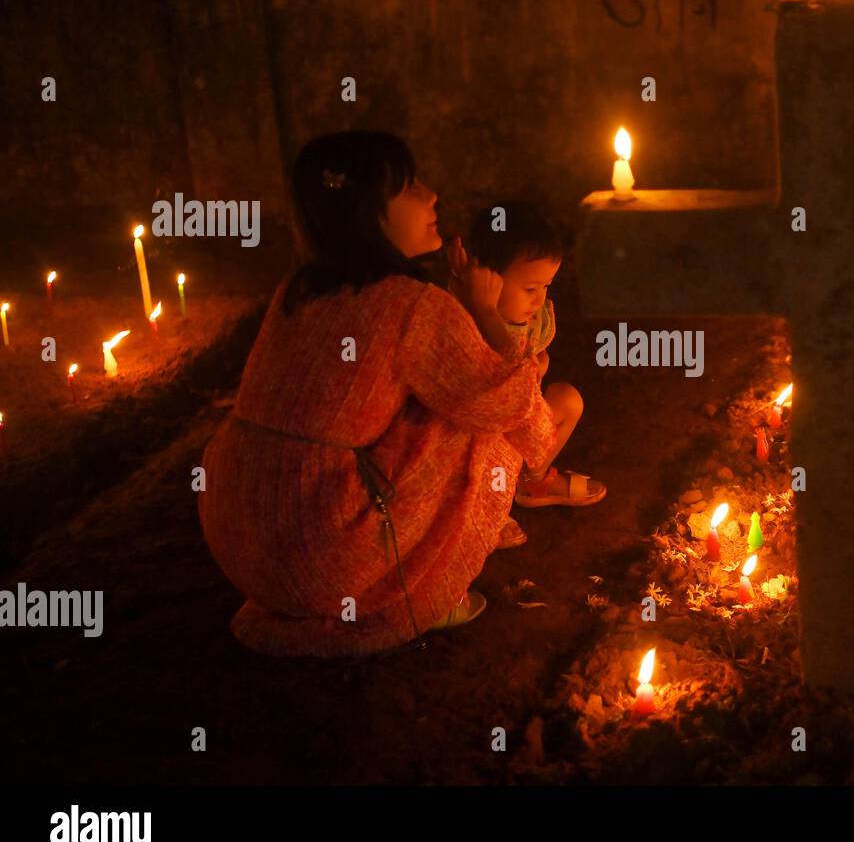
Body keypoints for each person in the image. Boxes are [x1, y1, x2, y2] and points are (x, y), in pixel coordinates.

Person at [197, 131, 553, 656]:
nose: (432, 194)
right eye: (408, 186)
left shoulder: (297, 289)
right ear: (368, 211)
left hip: (238, 536)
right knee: (478, 419)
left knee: (445, 397)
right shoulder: (411, 305)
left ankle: (395, 583)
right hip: (320, 553)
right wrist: (483, 313)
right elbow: (516, 407)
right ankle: (421, 592)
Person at [462, 202, 605, 543]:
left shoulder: (534, 318)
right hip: (483, 432)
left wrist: (540, 364)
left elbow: (537, 356)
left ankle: (534, 479)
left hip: (524, 419)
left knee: (567, 400)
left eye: (546, 286)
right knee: (490, 454)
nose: (539, 298)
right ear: (487, 280)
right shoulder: (468, 323)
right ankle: (484, 515)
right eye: (530, 288)